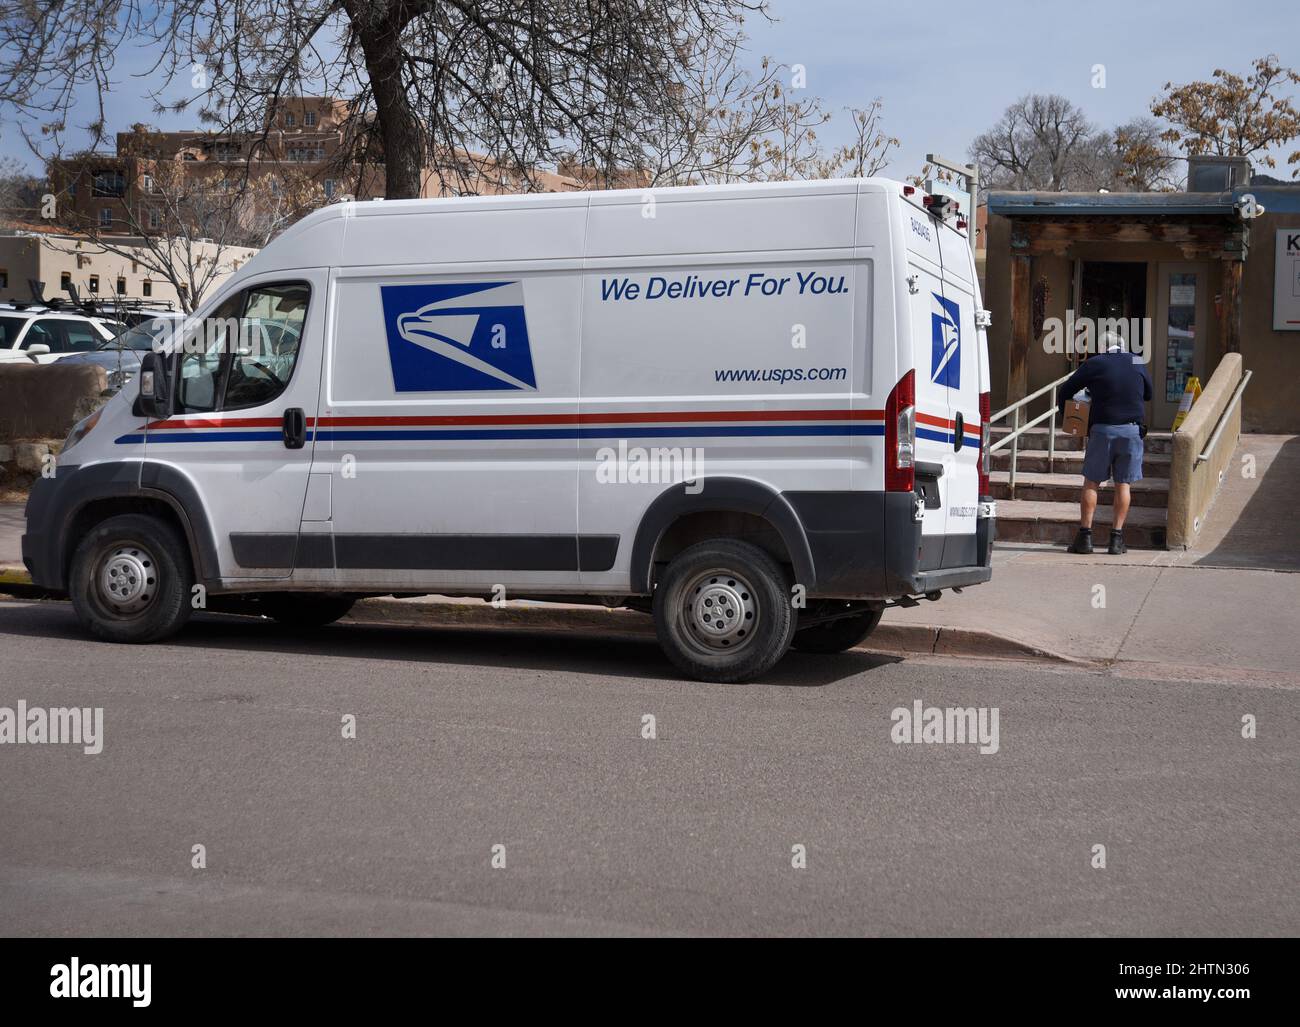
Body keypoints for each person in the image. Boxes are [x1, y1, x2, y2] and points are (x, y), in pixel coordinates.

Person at [1056, 332, 1154, 555]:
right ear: (1122, 346)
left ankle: (1085, 539)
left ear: (1103, 348)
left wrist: (1068, 415)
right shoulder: (1137, 360)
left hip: (1102, 430)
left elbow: (1065, 391)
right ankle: (1116, 541)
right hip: (1131, 430)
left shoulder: (1095, 362)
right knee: (1123, 484)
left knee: (1092, 482)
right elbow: (1149, 394)